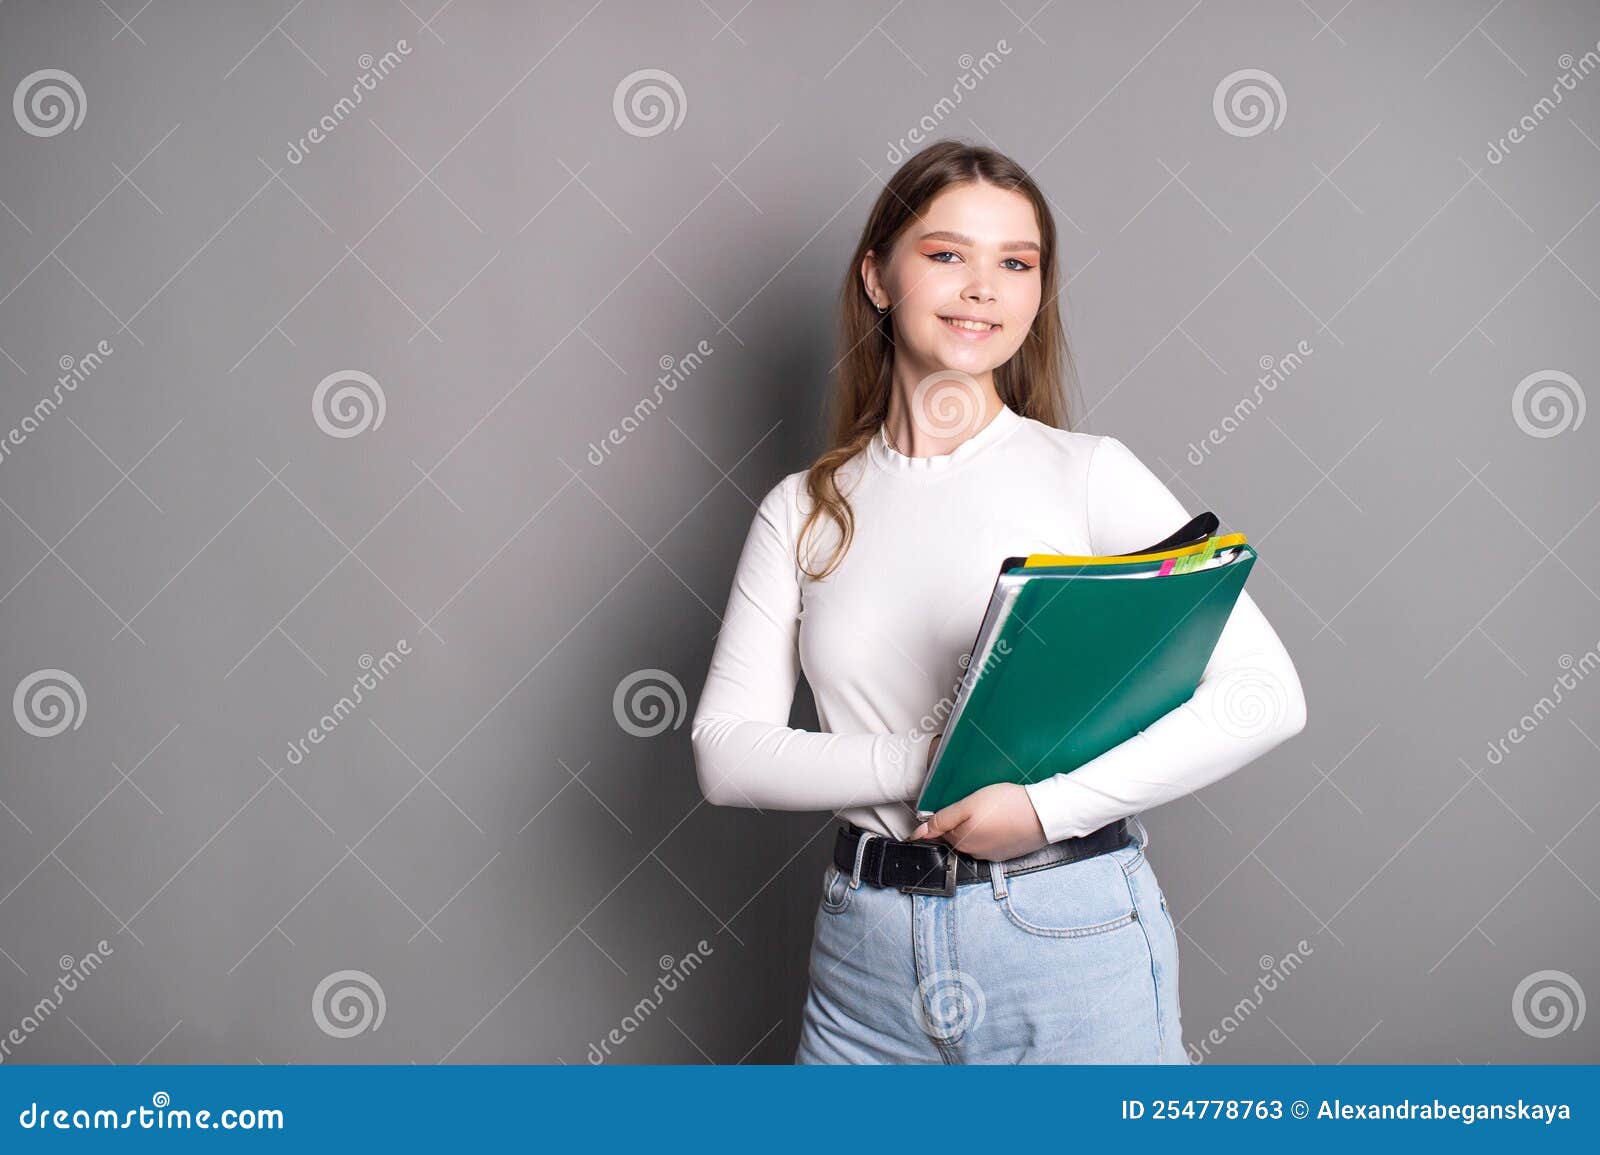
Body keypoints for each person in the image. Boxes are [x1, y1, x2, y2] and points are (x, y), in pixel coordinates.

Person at [689, 140, 1307, 1064]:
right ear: (877, 277)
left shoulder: (1088, 473)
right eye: (947, 255)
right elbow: (728, 756)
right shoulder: (803, 510)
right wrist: (933, 760)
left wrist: (1048, 808)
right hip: (862, 959)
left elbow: (1267, 694)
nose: (983, 287)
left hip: (1065, 941)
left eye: (1016, 264)